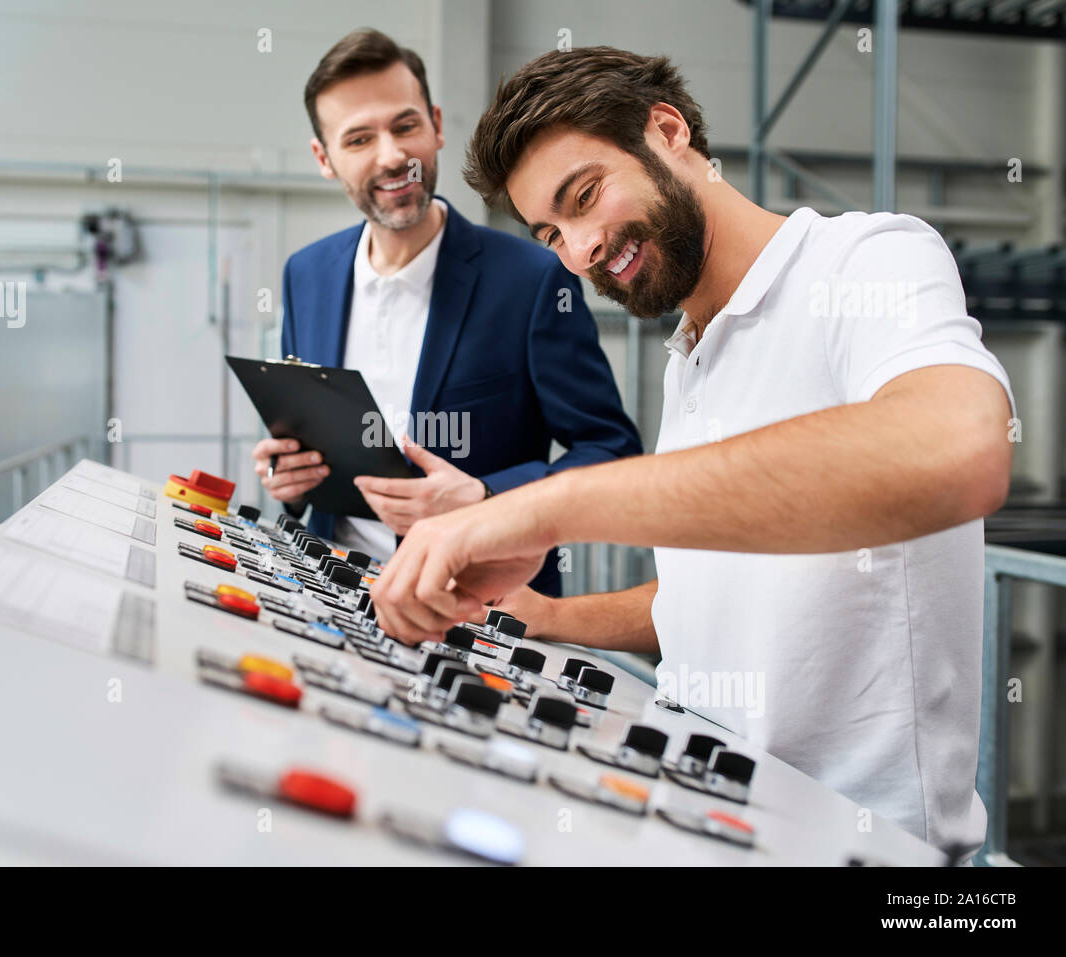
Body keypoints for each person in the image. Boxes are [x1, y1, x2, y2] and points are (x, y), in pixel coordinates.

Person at [369, 46, 1016, 860]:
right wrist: (552, 619)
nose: (579, 252)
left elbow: (959, 449)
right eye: (551, 232)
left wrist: (538, 507)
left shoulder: (867, 261)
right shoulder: (691, 354)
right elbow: (719, 596)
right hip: (704, 813)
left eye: (585, 197)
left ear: (667, 130)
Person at [249, 29, 641, 596]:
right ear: (324, 158)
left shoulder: (532, 279)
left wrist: (484, 499)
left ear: (435, 125)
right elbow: (307, 440)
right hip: (326, 584)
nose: (392, 156)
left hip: (476, 604)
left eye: (405, 126)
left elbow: (610, 453)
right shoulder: (305, 274)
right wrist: (288, 478)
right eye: (358, 139)